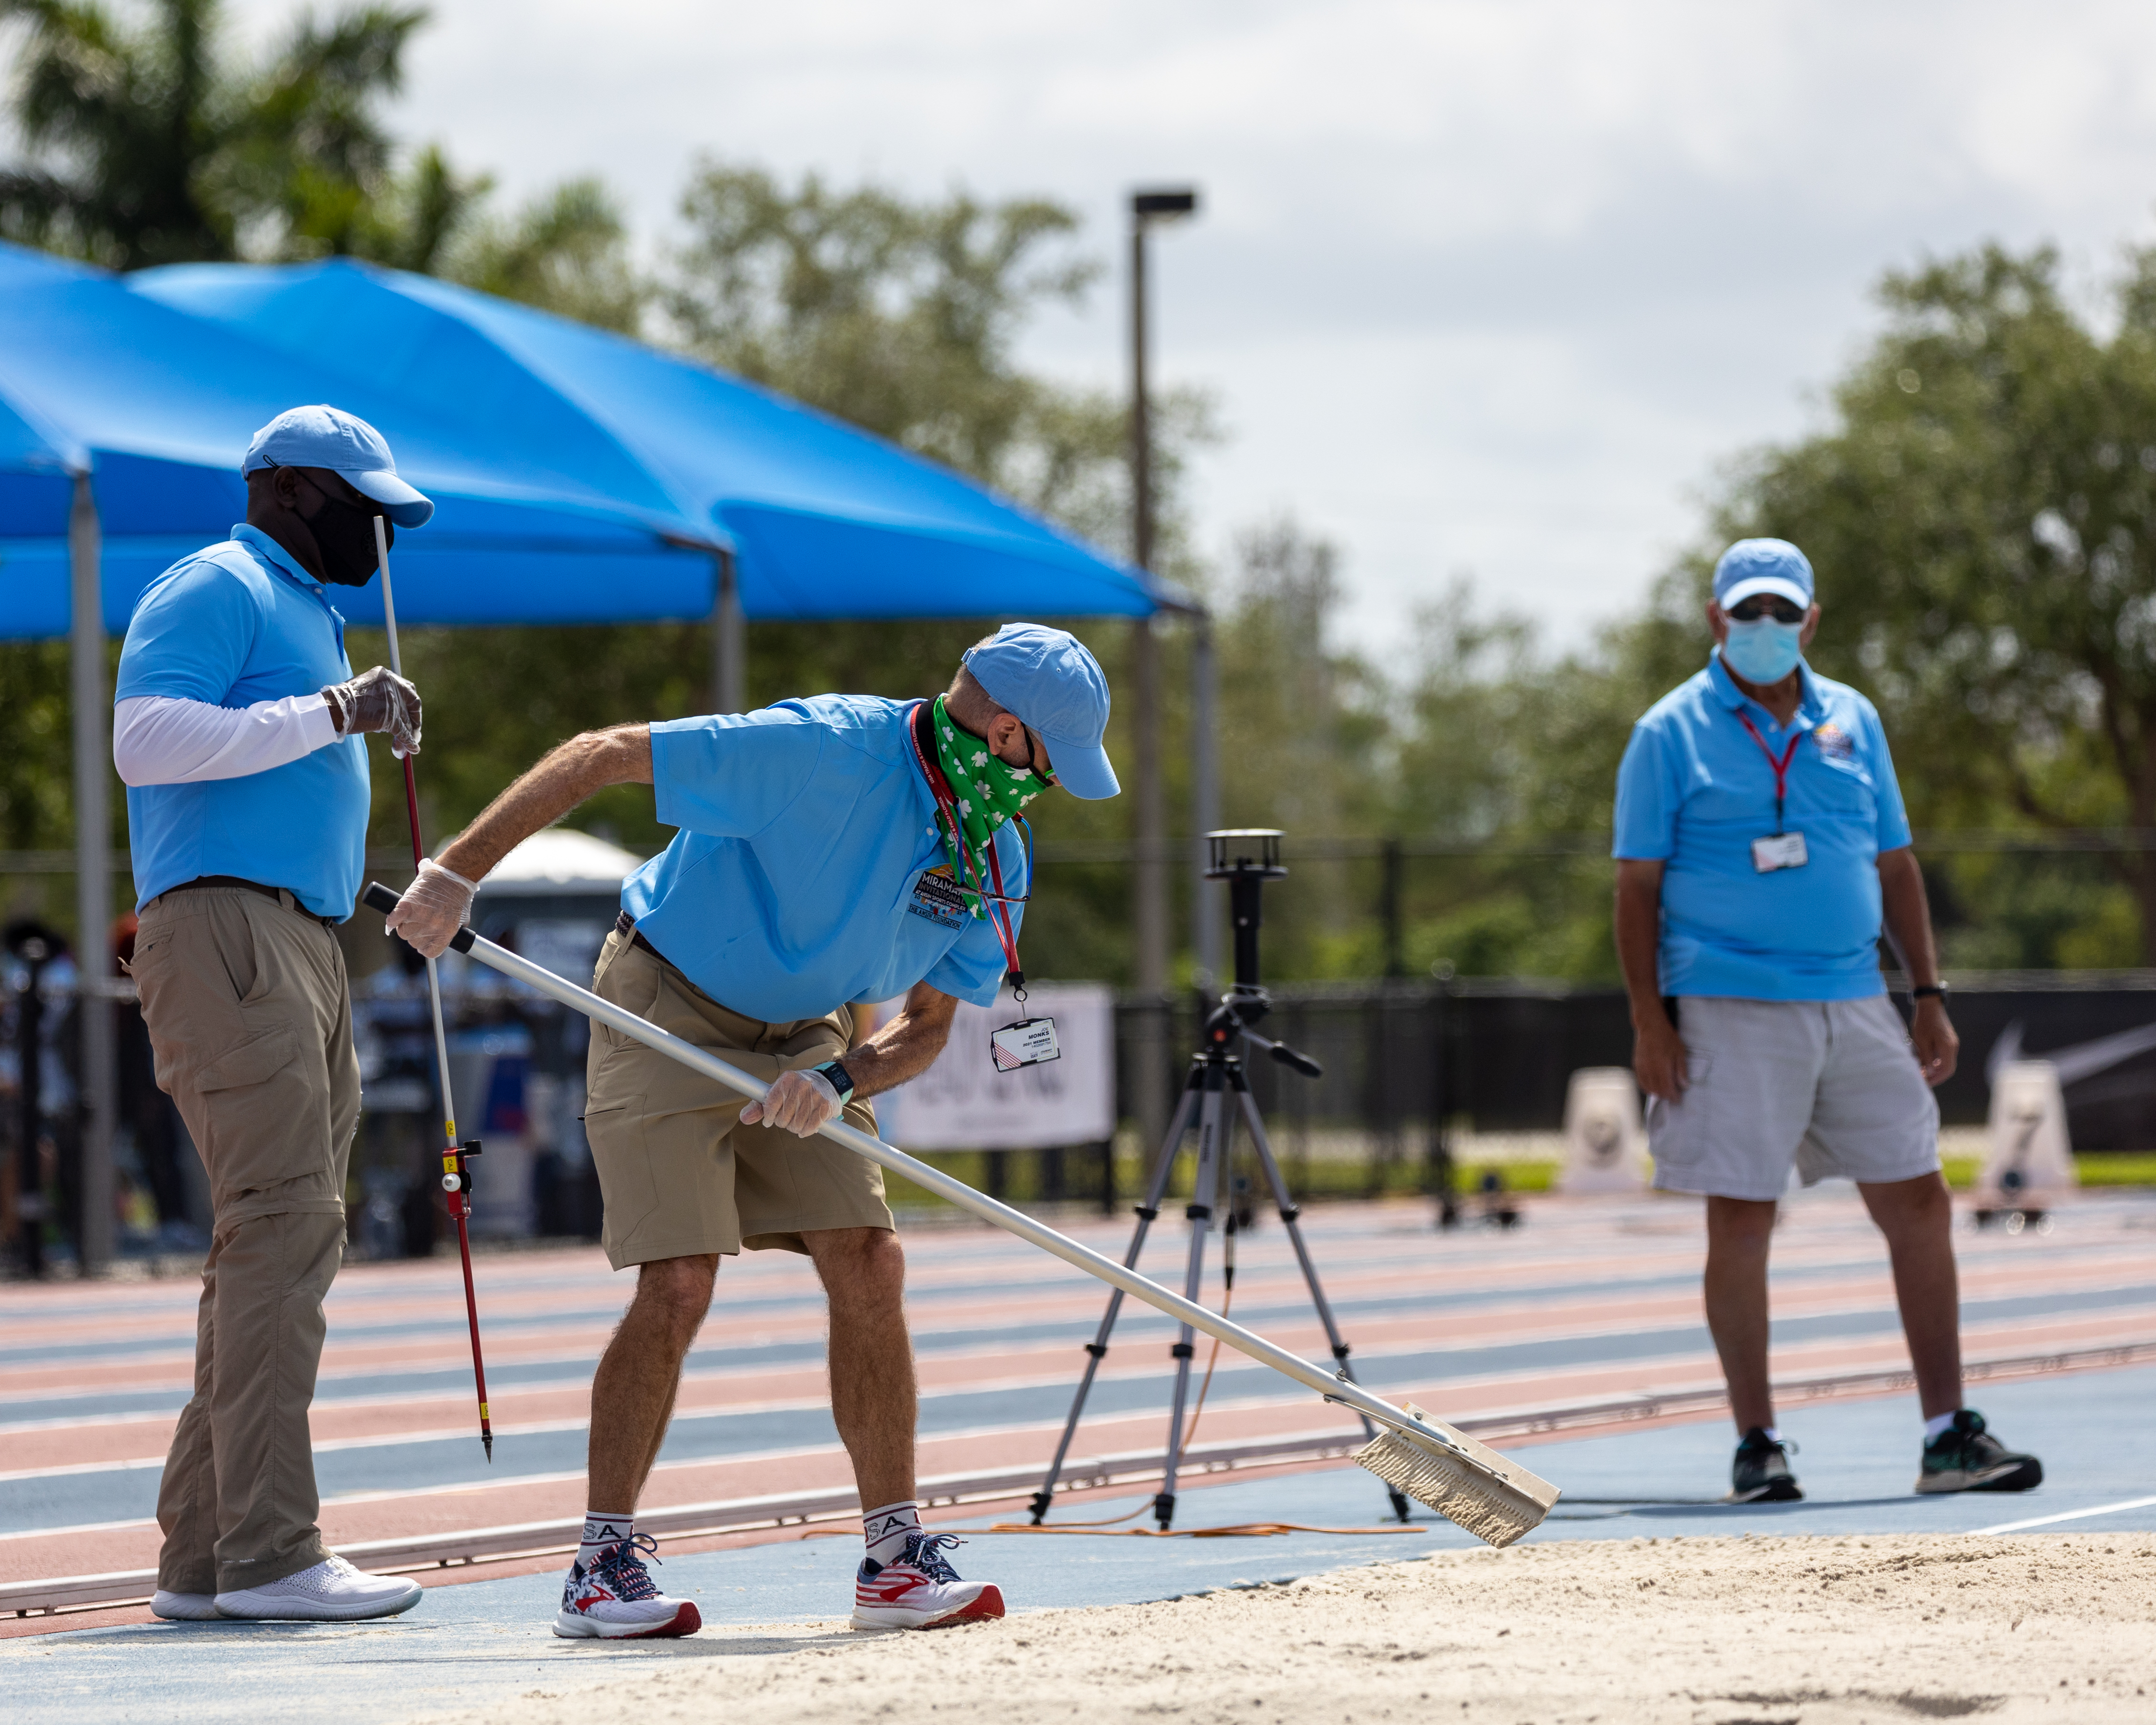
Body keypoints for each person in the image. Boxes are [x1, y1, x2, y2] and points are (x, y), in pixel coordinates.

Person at [386, 623, 1117, 1638]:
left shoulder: (994, 851)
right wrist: (456, 873)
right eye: (1047, 763)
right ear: (1001, 730)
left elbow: (928, 1029)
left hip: (814, 1032)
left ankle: (894, 1559)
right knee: (680, 1277)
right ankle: (600, 1564)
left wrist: (839, 1074)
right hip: (665, 999)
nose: (1047, 788)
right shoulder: (818, 746)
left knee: (870, 1258)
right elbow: (598, 755)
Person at [1612, 538, 2042, 1504]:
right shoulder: (1667, 733)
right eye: (1746, 612)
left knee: (1920, 1198)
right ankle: (1757, 1443)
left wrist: (1925, 993)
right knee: (1745, 1213)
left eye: (1782, 612)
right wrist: (1651, 1020)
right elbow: (1635, 889)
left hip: (1855, 995)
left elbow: (1894, 864)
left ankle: (1947, 1436)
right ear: (1716, 620)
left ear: (1812, 620)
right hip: (1729, 1001)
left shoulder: (1853, 717)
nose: (1765, 629)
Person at [115, 405, 432, 1622]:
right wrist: (335, 715)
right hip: (228, 930)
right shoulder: (222, 581)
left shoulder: (309, 603)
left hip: (294, 936)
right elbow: (144, 740)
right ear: (293, 490)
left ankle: (204, 1559)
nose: (383, 536)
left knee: (279, 1235)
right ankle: (270, 1554)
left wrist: (346, 715)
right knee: (285, 1227)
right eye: (367, 508)